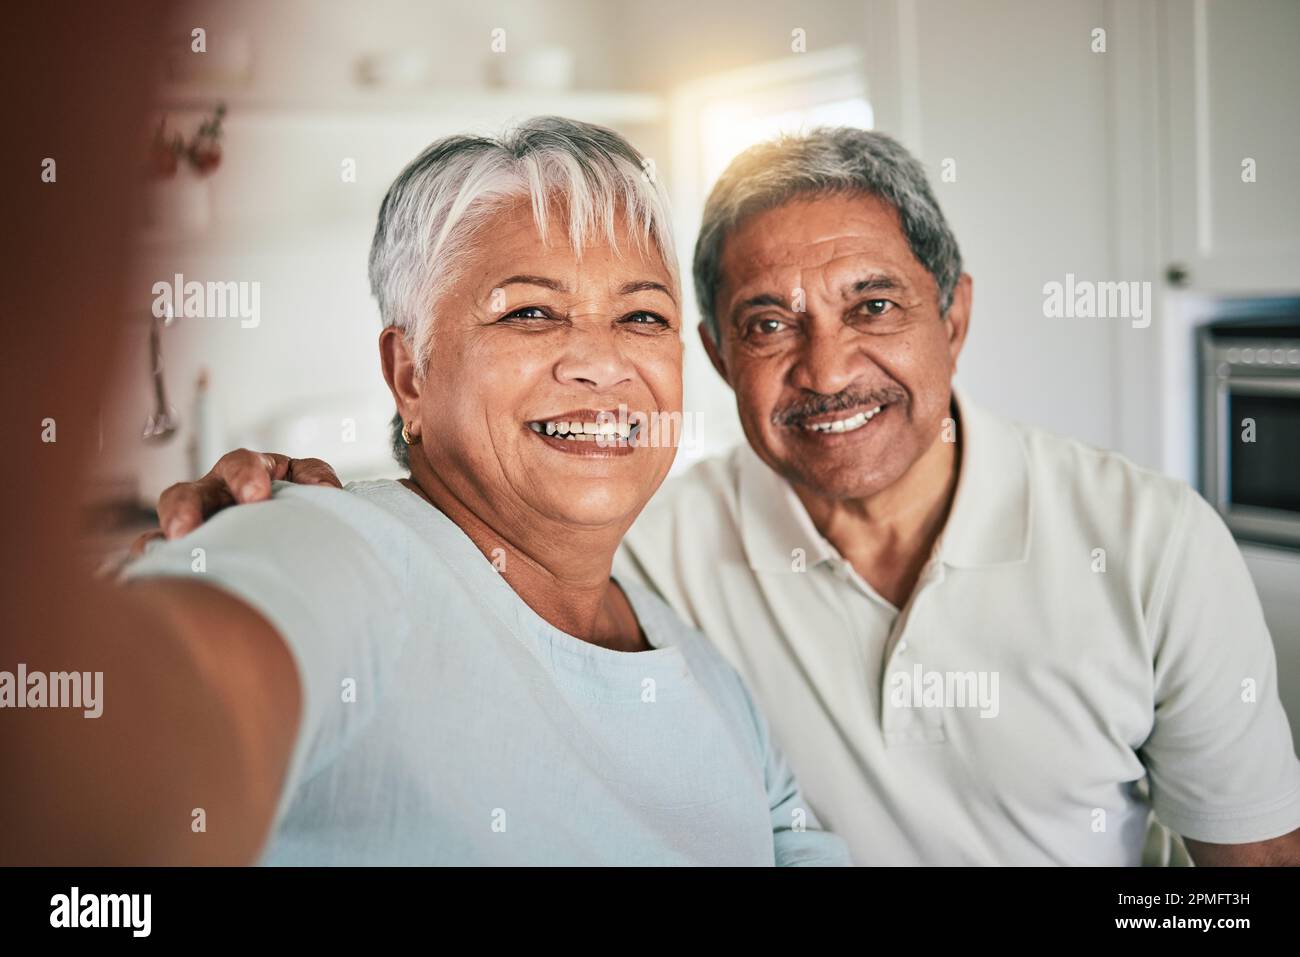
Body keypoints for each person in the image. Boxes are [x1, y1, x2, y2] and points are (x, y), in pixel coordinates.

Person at [154, 127, 1300, 866]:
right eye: (531, 311)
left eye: (874, 306)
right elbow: (145, 727)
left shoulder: (1146, 543)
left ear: (953, 317)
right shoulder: (620, 542)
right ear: (718, 352)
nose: (829, 366)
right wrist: (284, 515)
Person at [110, 117, 851, 866]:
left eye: (641, 316)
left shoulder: (706, 674)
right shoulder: (329, 548)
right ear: (411, 376)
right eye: (530, 311)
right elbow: (133, 730)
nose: (601, 363)